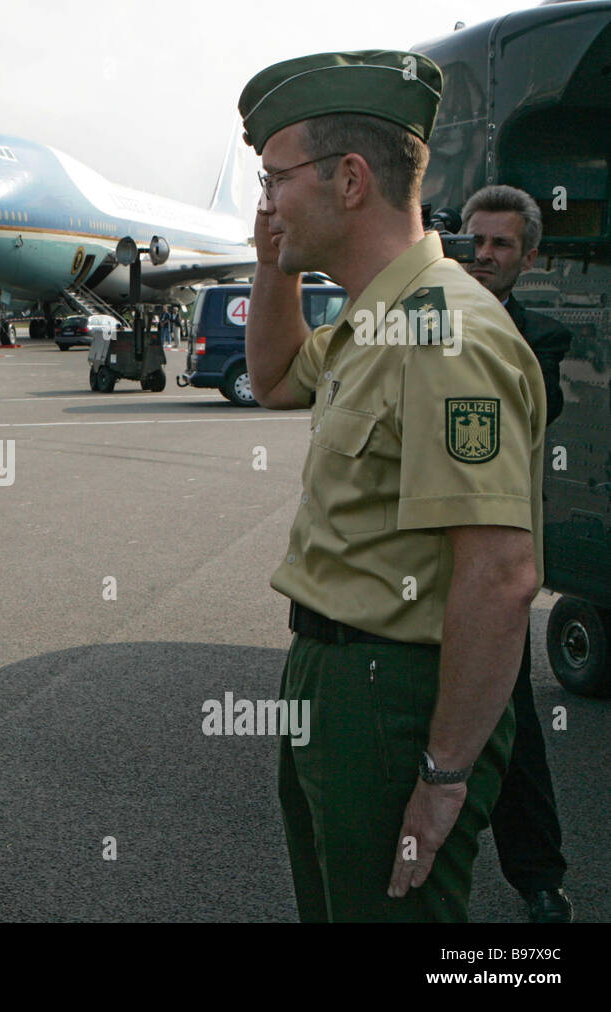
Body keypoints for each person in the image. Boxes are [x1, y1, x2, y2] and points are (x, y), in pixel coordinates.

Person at [240, 51, 547, 921]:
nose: (264, 202)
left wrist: (444, 773)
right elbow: (273, 379)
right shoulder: (377, 316)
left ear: (348, 179)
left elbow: (499, 575)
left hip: (388, 695)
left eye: (275, 179)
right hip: (333, 675)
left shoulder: (444, 334)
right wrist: (275, 263)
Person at [462, 183, 573, 922]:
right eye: (476, 241)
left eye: (502, 244)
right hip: (416, 563)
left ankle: (540, 883)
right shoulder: (423, 322)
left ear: (528, 256)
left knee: (513, 732)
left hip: (494, 567)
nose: (486, 255)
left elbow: (533, 399)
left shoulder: (539, 337)